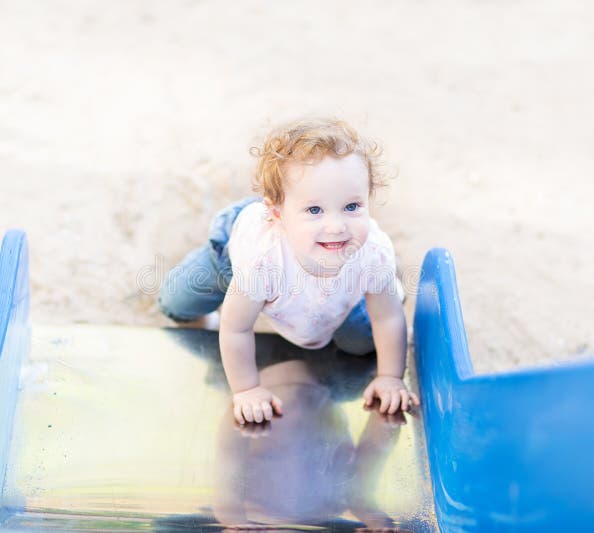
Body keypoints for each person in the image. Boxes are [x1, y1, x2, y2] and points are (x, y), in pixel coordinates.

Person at [158, 117, 420, 423]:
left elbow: (388, 317)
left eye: (351, 206)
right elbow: (236, 328)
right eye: (314, 210)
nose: (336, 226)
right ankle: (210, 283)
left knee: (363, 345)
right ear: (277, 213)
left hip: (331, 283)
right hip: (232, 261)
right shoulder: (261, 260)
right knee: (177, 304)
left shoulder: (371, 251)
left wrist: (390, 376)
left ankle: (356, 292)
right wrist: (246, 390)